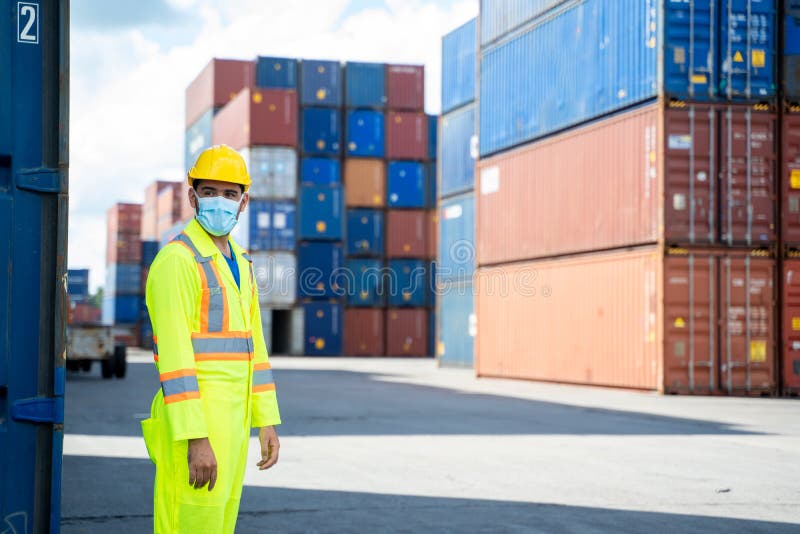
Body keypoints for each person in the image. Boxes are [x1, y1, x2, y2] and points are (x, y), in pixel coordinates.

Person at [141, 144, 281, 533]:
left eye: (230, 193)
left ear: (243, 202)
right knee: (188, 523)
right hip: (195, 427)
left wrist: (266, 421)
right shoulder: (177, 261)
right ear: (193, 197)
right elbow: (175, 358)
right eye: (209, 192)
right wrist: (195, 438)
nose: (220, 201)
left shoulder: (241, 263)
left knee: (219, 524)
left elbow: (255, 350)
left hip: (234, 426)